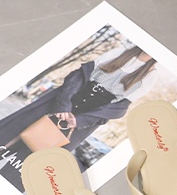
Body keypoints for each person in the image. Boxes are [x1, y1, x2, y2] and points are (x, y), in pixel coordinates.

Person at [0, 46, 157, 187]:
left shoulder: (150, 75)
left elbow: (118, 108)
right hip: (60, 101)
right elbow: (79, 75)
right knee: (14, 132)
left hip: (82, 122)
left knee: (37, 155)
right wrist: (63, 104)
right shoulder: (119, 53)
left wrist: (79, 121)